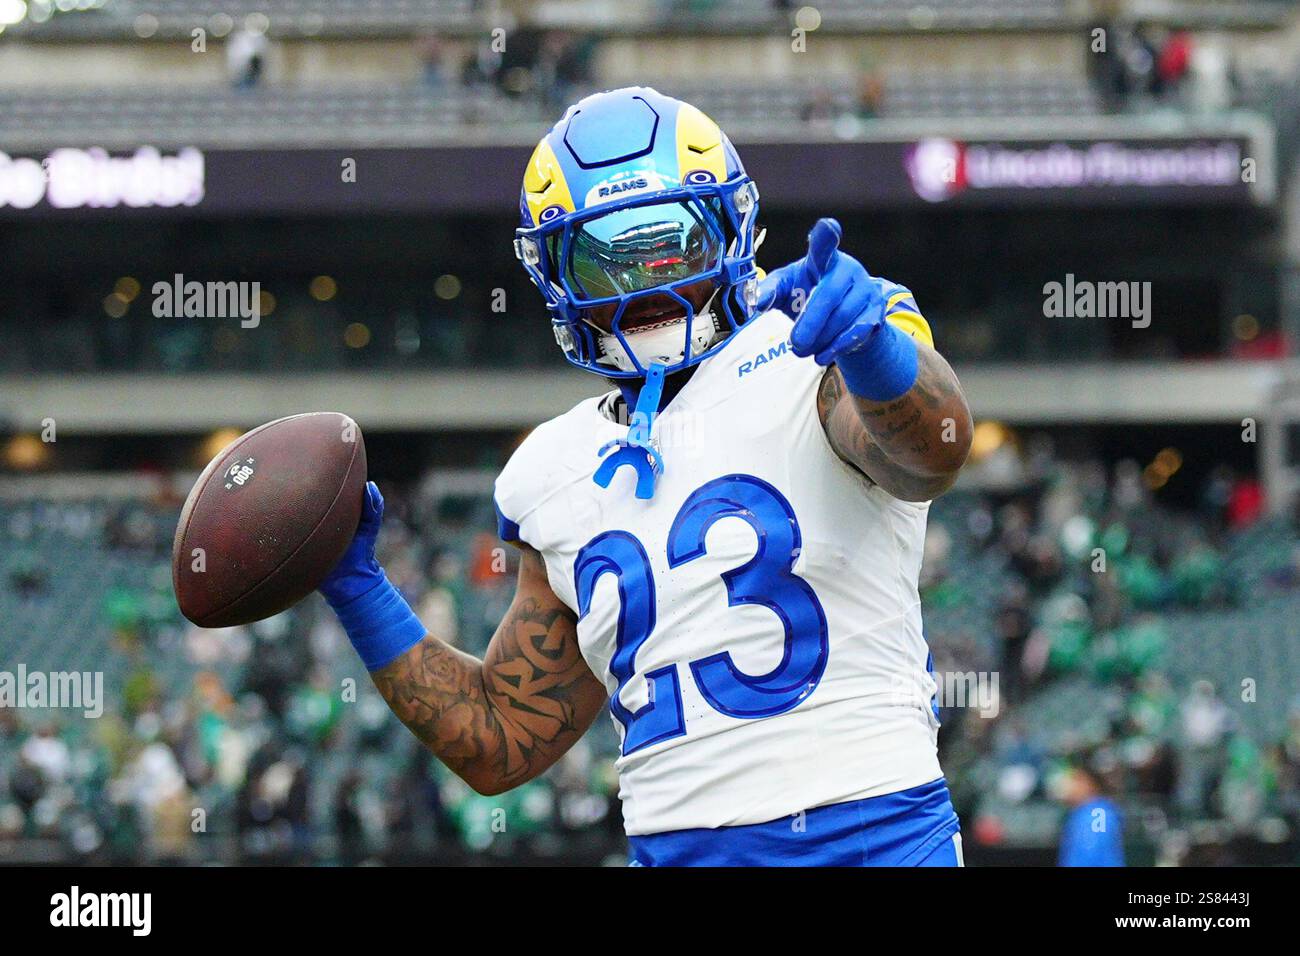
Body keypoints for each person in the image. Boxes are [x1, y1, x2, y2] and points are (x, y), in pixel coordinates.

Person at [317, 87, 973, 866]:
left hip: (878, 841)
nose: (644, 284)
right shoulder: (550, 471)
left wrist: (873, 351)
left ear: (732, 227)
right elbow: (500, 739)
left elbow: (932, 451)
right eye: (605, 256)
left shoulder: (815, 354)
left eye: (671, 244)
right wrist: (358, 589)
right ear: (555, 274)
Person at [1058, 763, 1125, 866]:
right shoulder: (1081, 812)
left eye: (1077, 780)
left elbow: (1093, 853)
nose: (1070, 785)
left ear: (1090, 783)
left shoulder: (1098, 813)